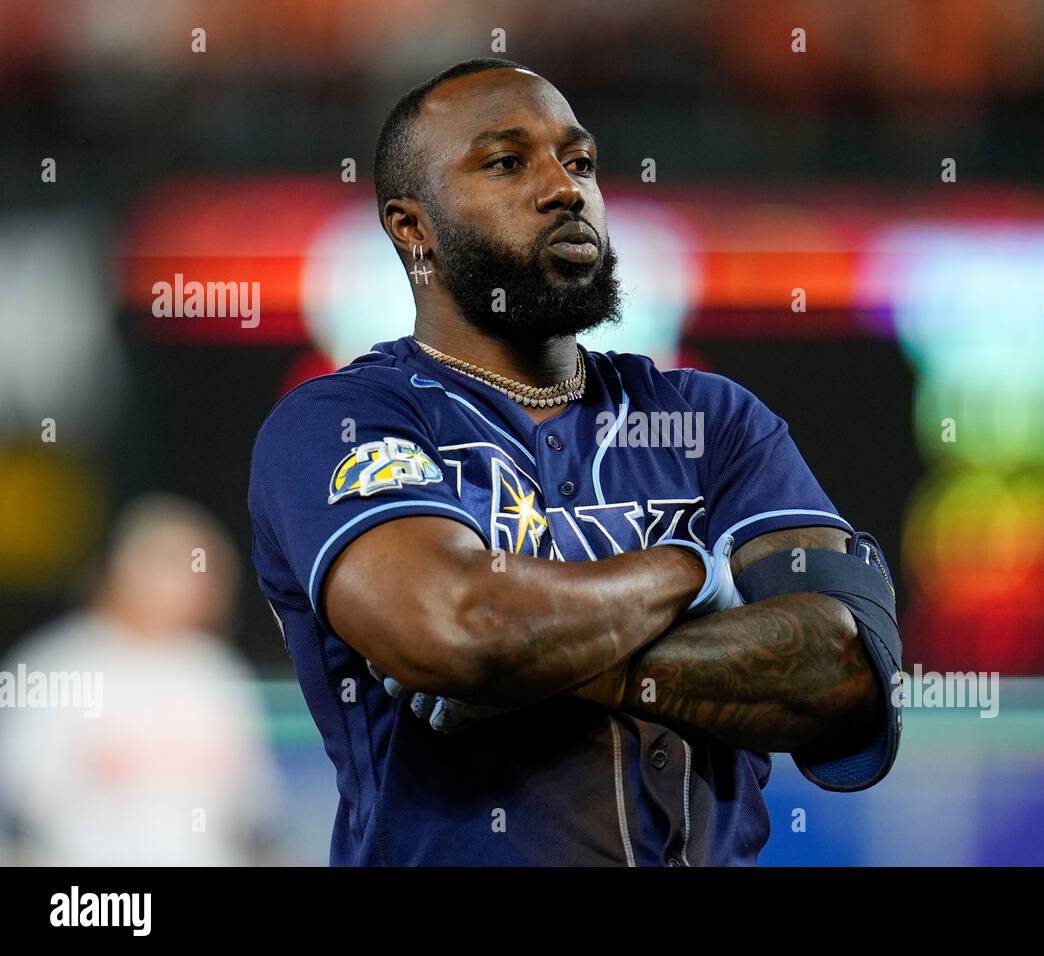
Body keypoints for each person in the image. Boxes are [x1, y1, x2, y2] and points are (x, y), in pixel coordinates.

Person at [247, 57, 901, 866]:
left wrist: (529, 664)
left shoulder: (712, 420)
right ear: (411, 226)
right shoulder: (343, 421)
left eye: (580, 160)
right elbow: (460, 628)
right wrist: (693, 576)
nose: (565, 188)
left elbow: (844, 674)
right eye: (507, 162)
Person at [0, 494, 281, 865]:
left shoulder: (216, 671)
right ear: (128, 569)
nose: (205, 586)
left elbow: (257, 827)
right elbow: (18, 826)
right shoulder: (51, 668)